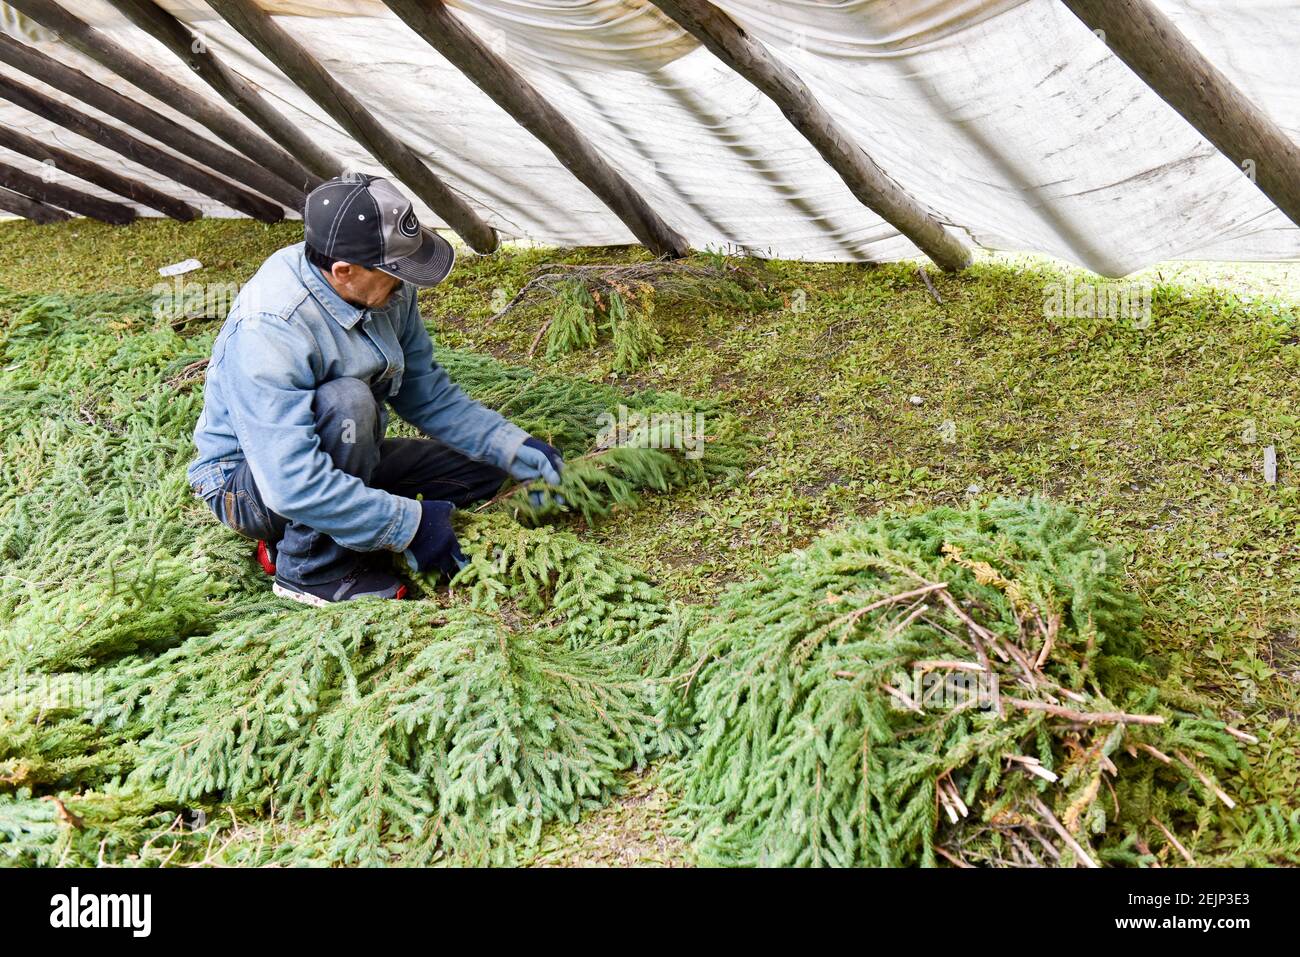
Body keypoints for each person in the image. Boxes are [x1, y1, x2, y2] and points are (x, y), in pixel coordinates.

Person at [187, 172, 563, 606]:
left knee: (483, 471)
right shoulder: (271, 328)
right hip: (250, 485)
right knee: (347, 402)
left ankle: (334, 517)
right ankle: (310, 568)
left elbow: (426, 394)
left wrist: (510, 445)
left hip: (344, 449)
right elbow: (288, 483)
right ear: (344, 271)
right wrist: (412, 526)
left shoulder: (384, 290)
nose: (404, 283)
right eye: (394, 272)